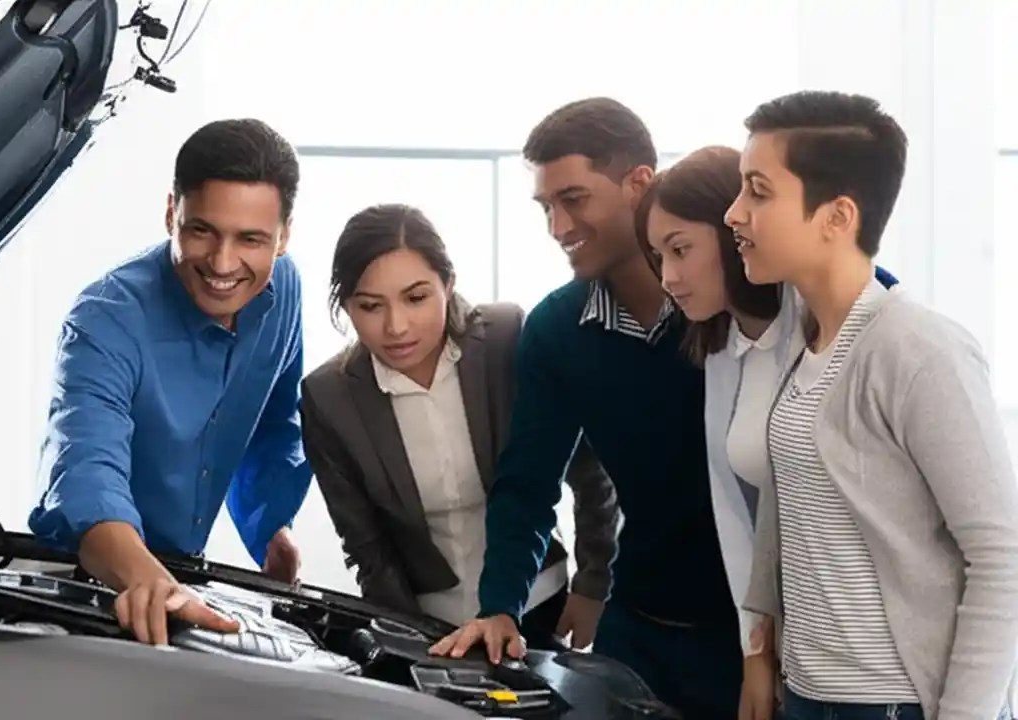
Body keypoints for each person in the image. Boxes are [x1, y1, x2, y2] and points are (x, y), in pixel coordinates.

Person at [430, 98, 744, 720]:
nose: (558, 225)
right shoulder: (556, 329)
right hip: (639, 630)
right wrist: (500, 606)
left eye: (574, 198)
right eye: (547, 206)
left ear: (639, 184)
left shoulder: (741, 302)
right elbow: (527, 483)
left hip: (755, 635)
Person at [727, 90, 1018, 720]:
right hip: (807, 695)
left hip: (892, 704)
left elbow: (1002, 556)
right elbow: (790, 521)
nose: (734, 213)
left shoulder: (920, 350)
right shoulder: (806, 339)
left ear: (836, 217)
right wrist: (763, 647)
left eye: (758, 191)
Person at [636, 145, 899, 720]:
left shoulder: (836, 326)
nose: (668, 278)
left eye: (680, 251)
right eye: (658, 257)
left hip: (883, 661)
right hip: (805, 658)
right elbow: (741, 520)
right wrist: (755, 652)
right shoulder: (722, 350)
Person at [28, 118, 314, 646]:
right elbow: (86, 471)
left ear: (283, 238)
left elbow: (275, 419)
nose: (223, 263)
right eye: (202, 230)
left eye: (250, 239)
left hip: (186, 577)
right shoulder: (105, 318)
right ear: (170, 213)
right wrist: (145, 578)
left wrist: (271, 529)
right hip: (99, 589)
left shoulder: (284, 289)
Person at [300, 203, 621, 651]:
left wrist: (594, 582)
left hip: (539, 600)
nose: (396, 326)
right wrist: (403, 642)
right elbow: (368, 548)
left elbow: (589, 470)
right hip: (427, 625)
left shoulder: (507, 338)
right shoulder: (328, 398)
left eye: (416, 298)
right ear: (346, 306)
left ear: (448, 285)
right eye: (370, 306)